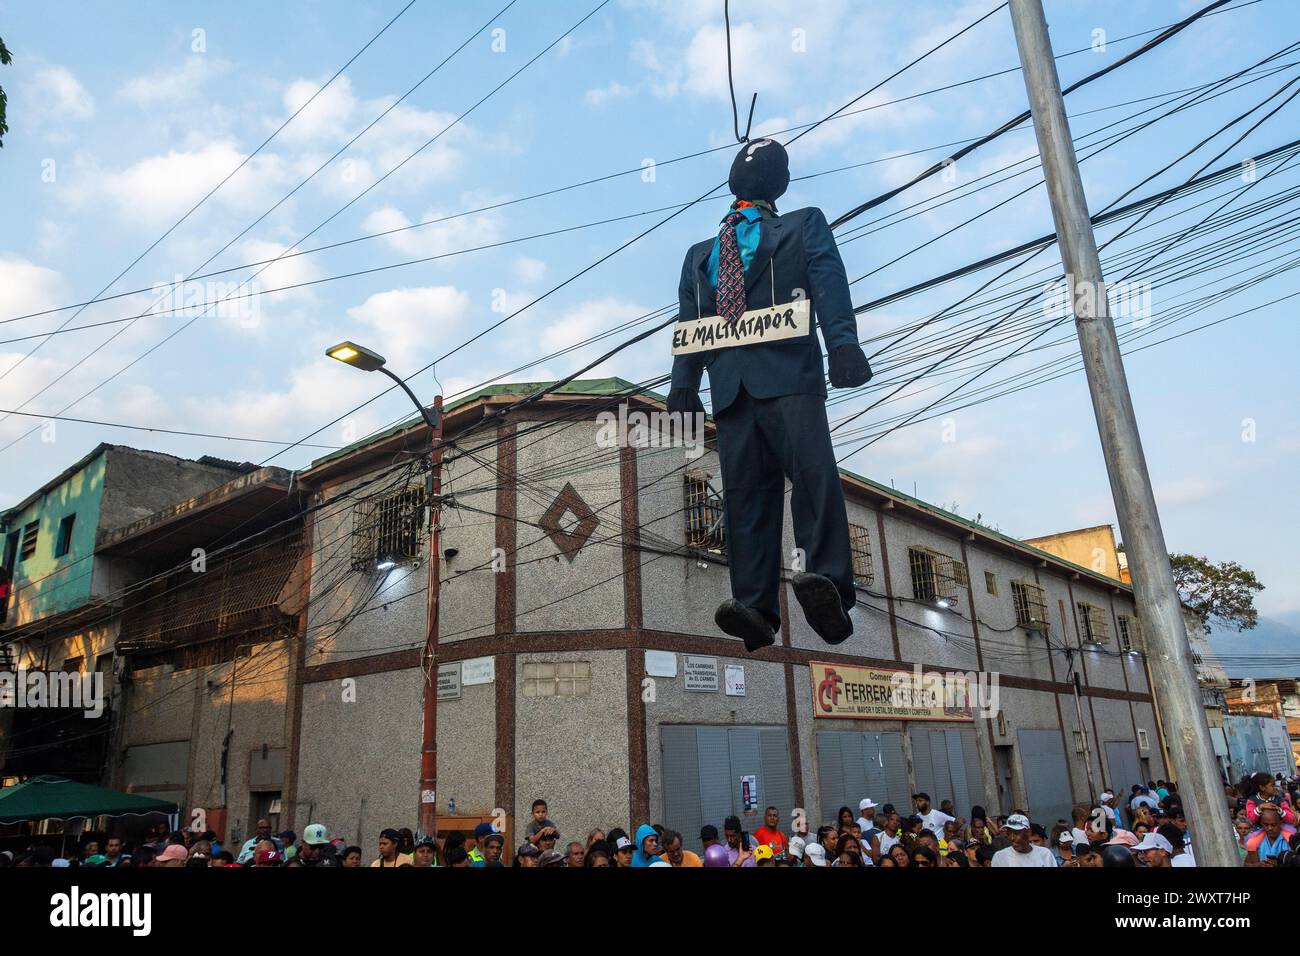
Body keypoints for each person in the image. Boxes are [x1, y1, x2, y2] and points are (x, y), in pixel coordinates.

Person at [667, 137, 872, 653]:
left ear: (781, 183)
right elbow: (693, 320)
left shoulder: (802, 226)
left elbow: (829, 280)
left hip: (791, 376)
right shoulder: (700, 256)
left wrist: (843, 342)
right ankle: (756, 606)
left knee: (812, 475)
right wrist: (683, 383)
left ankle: (829, 586)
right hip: (732, 389)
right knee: (744, 499)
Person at [991, 814, 1057, 867]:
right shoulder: (1000, 857)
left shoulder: (1045, 854)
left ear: (1028, 832)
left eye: (1016, 833)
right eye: (1008, 833)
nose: (1012, 838)